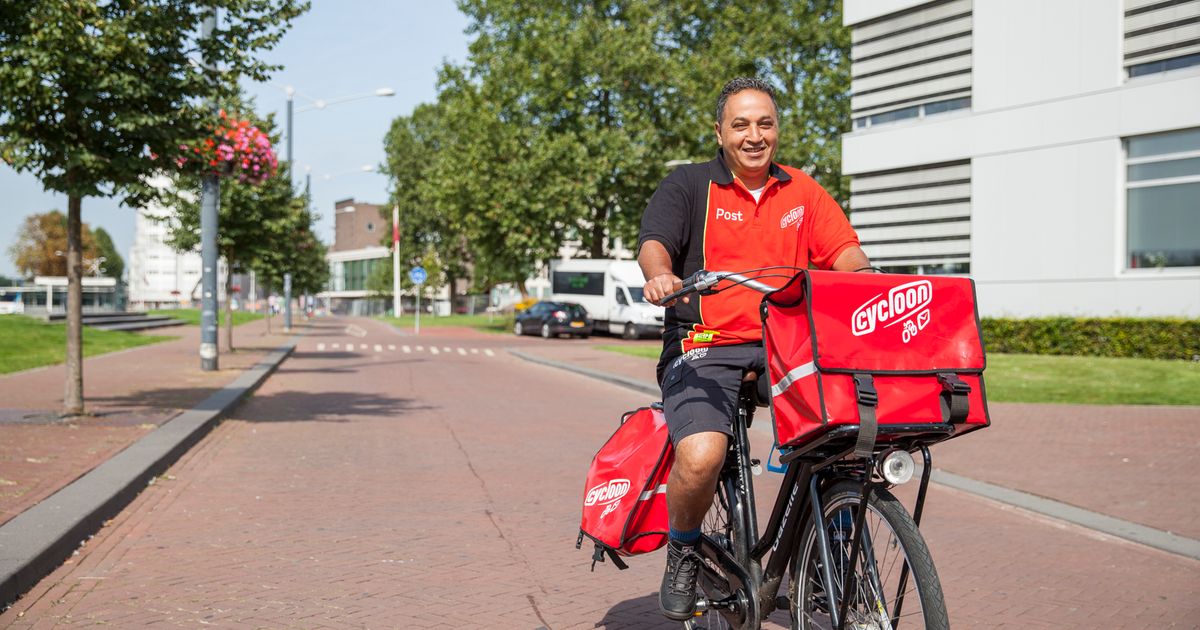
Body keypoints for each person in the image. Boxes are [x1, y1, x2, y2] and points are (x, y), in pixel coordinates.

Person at [637, 77, 874, 621]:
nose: (753, 135)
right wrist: (662, 276)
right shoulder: (690, 186)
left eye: (764, 123)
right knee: (702, 455)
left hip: (785, 346)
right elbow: (655, 243)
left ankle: (828, 552)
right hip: (704, 344)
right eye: (740, 124)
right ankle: (684, 548)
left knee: (848, 435)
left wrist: (862, 278)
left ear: (777, 130)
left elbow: (844, 252)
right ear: (719, 132)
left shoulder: (803, 191)